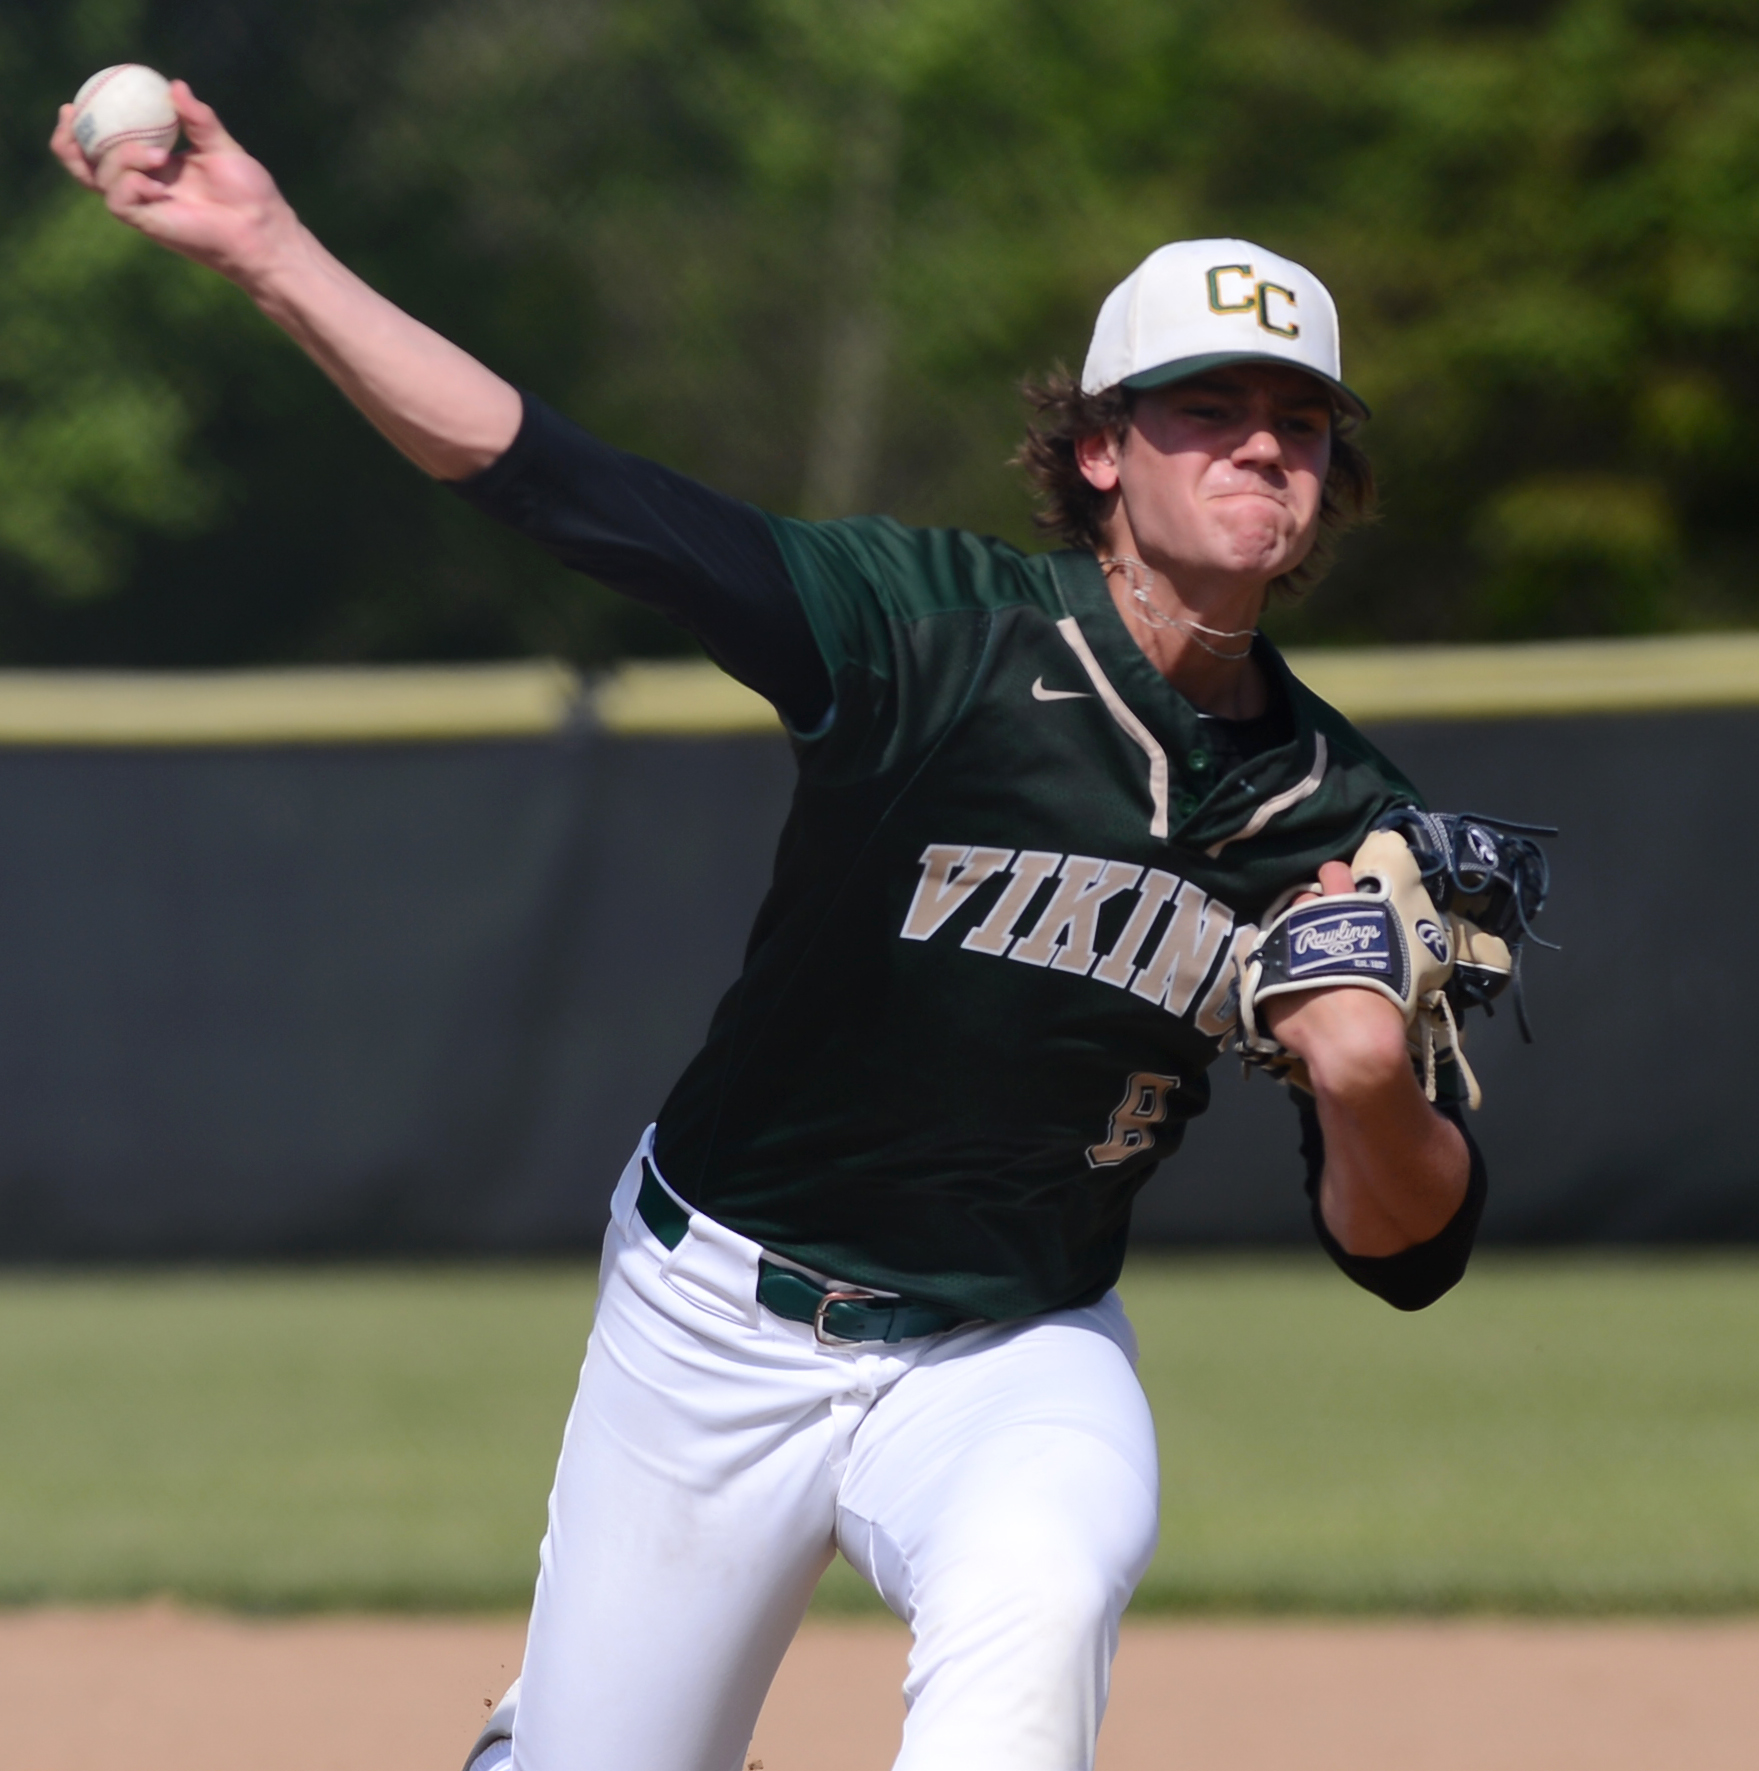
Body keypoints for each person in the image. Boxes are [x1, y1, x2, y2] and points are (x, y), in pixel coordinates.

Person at [55, 84, 1484, 1771]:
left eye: (1303, 423)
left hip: (1011, 1349)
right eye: (1210, 407)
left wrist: (1370, 1083)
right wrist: (272, 249)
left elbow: (1416, 1255)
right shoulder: (928, 636)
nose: (1264, 446)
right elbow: (565, 487)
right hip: (714, 1321)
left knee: (1033, 1638)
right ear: (1101, 448)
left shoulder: (1342, 819)